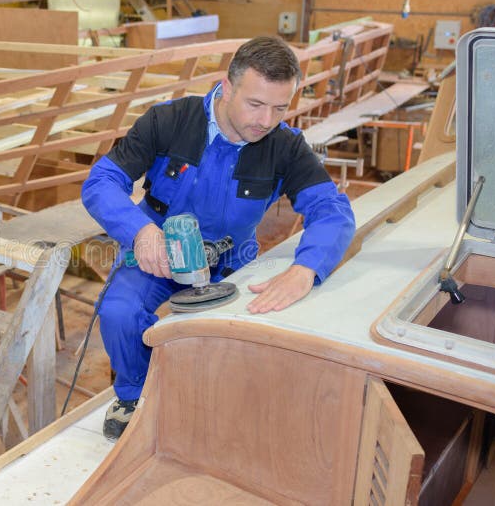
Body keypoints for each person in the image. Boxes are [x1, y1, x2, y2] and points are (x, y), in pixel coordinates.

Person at [81, 36, 356, 441]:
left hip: (231, 261)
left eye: (280, 108)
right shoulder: (169, 121)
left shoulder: (285, 146)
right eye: (255, 104)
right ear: (226, 88)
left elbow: (332, 211)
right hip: (159, 251)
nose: (266, 121)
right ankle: (133, 396)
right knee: (119, 312)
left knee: (239, 343)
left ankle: (217, 405)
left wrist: (306, 268)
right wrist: (139, 231)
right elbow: (101, 181)